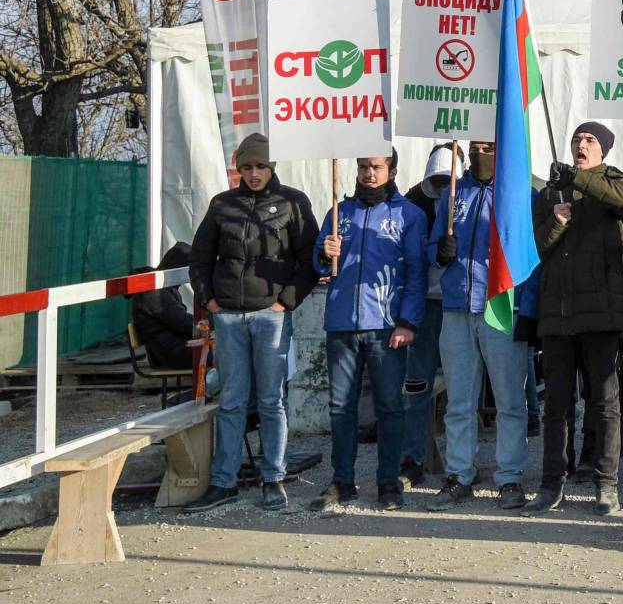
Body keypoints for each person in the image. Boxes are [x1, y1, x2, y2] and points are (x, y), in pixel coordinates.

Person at [183, 133, 318, 513]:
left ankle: (272, 478)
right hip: (227, 317)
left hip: (270, 316)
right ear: (238, 168)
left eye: (260, 166)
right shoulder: (222, 205)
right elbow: (200, 257)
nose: (254, 174)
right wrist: (209, 300)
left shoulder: (292, 202)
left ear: (271, 166)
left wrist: (286, 302)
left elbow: (310, 259)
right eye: (247, 167)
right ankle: (223, 482)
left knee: (272, 400)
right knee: (231, 400)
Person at [527, 121, 623, 516]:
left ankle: (606, 484)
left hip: (602, 315)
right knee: (556, 405)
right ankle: (551, 483)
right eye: (577, 139)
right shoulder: (549, 192)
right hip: (557, 313)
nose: (582, 144)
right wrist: (556, 222)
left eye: (590, 140)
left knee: (605, 403)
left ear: (604, 149)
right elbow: (537, 250)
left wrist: (579, 178)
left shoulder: (618, 181)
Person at [312, 150, 429, 511]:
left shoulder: (409, 215)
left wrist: (408, 322)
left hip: (386, 326)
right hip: (342, 323)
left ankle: (388, 482)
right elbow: (318, 264)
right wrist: (323, 253)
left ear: (392, 170)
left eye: (377, 167)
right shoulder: (338, 213)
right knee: (340, 408)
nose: (369, 174)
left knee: (390, 407)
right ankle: (342, 481)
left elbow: (416, 273)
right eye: (363, 167)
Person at [426, 138, 531, 511]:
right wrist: (439, 252)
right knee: (459, 400)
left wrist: (526, 307)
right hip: (456, 306)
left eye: (490, 147)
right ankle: (459, 474)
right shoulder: (453, 194)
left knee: (509, 399)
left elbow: (528, 252)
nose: (480, 154)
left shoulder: (518, 192)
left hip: (501, 307)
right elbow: (433, 245)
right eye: (476, 146)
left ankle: (510, 477)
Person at [399, 144, 458, 487]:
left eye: (445, 180)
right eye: (435, 181)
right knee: (417, 382)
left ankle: (459, 463)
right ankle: (413, 456)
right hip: (423, 302)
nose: (440, 187)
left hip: (457, 301)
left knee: (462, 388)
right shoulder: (412, 205)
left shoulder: (468, 198)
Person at [134, 242, 197, 372]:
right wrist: (210, 325)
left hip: (175, 349)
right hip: (172, 354)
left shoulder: (160, 289)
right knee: (228, 354)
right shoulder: (153, 292)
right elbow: (181, 322)